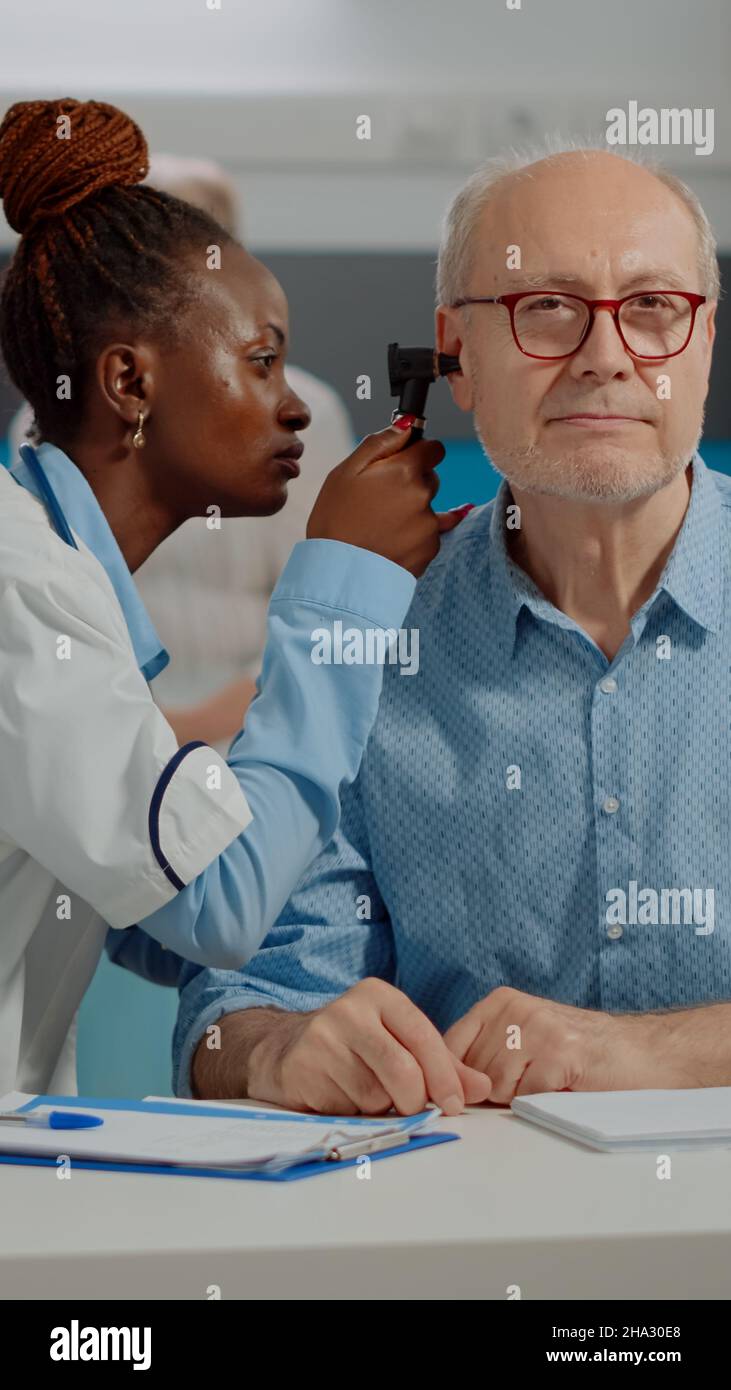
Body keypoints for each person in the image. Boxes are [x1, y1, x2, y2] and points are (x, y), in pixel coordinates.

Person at [173, 143, 731, 1114]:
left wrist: (648, 1053)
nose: (605, 355)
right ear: (455, 357)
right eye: (544, 307)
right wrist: (275, 1048)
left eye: (651, 307)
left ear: (703, 342)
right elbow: (235, 1003)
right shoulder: (365, 643)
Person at [0, 96, 476, 1102]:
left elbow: (146, 908)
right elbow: (216, 900)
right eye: (259, 361)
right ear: (130, 380)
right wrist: (342, 584)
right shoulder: (20, 584)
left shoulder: (51, 567)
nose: (297, 400)